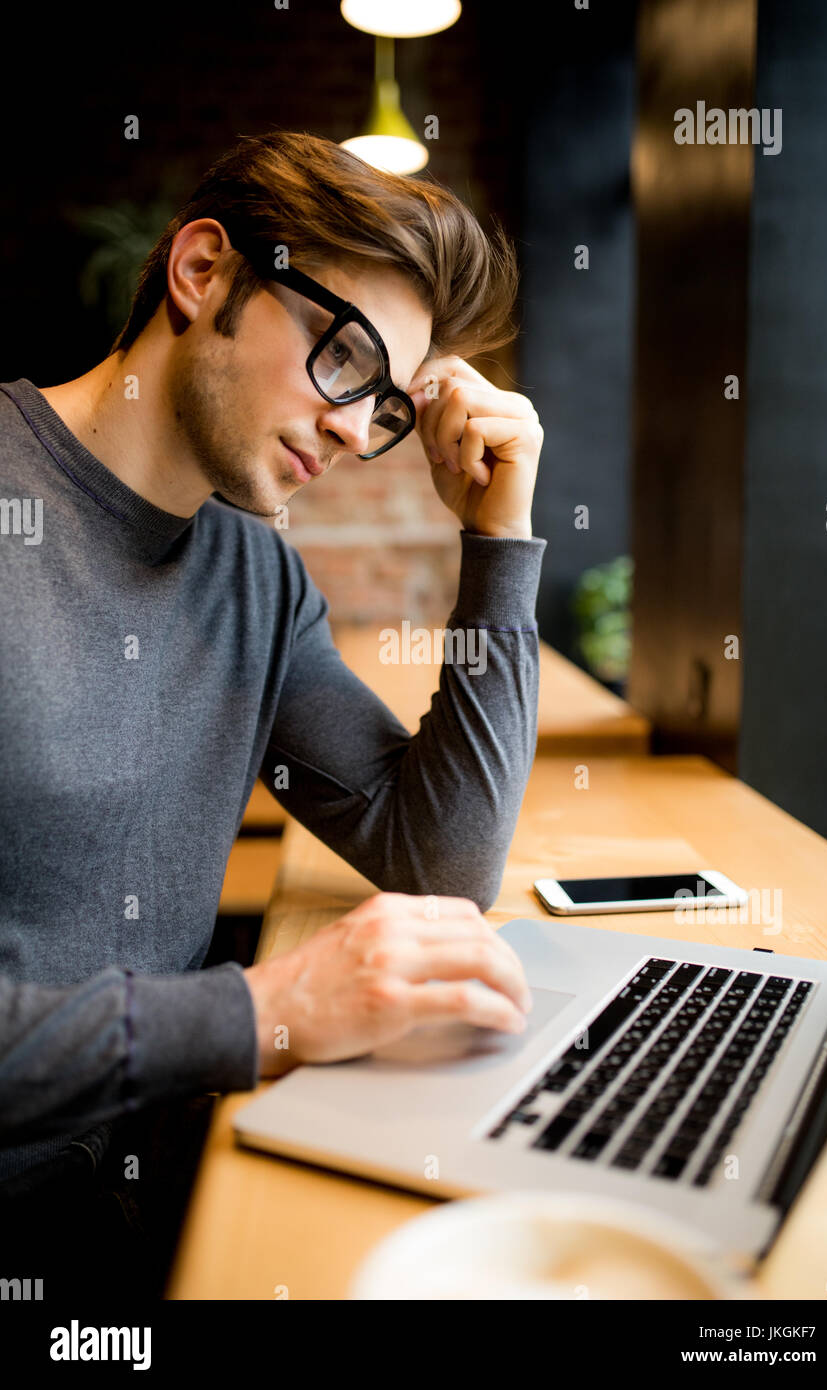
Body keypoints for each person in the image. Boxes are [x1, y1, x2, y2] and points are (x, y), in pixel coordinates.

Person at [0, 130, 546, 1294]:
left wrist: (496, 541)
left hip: (155, 1208)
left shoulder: (255, 577)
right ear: (203, 273)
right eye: (341, 359)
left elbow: (437, 857)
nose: (359, 430)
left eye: (388, 404)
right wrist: (267, 1007)